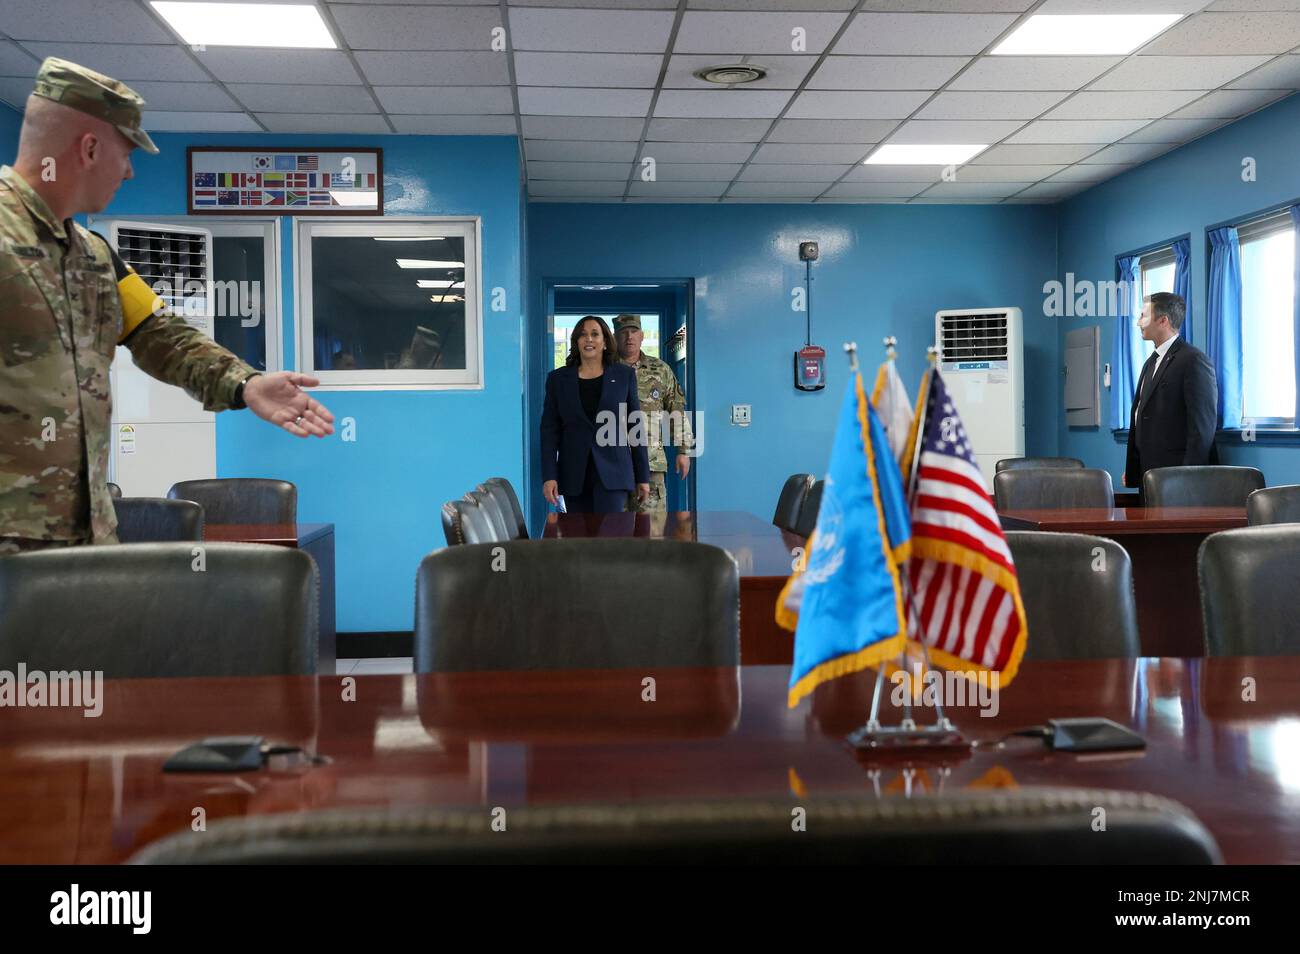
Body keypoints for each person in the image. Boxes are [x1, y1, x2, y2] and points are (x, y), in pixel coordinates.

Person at [0, 58, 334, 553]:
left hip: (84, 543)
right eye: (127, 153)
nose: (131, 171)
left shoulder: (95, 255)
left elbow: (163, 337)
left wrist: (244, 384)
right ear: (90, 148)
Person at [541, 316, 649, 513]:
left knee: (611, 540)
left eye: (594, 334)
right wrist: (549, 476)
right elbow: (549, 431)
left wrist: (643, 476)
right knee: (579, 541)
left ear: (605, 342)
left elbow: (635, 427)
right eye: (582, 335)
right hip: (573, 475)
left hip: (614, 473)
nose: (588, 339)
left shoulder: (624, 375)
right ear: (576, 342)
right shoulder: (557, 379)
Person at [1123, 292, 1217, 497]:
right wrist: (1134, 469)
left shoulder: (1193, 360)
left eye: (1143, 316)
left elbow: (1202, 429)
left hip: (1178, 480)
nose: (1139, 323)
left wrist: (1187, 478)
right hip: (1149, 475)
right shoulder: (1151, 362)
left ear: (1163, 320)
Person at [613, 314, 694, 514]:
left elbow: (677, 410)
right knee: (614, 534)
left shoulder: (660, 370)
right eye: (623, 333)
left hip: (651, 463)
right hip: (613, 465)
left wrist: (683, 451)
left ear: (641, 336)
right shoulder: (605, 369)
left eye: (633, 332)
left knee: (652, 533)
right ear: (615, 337)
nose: (629, 337)